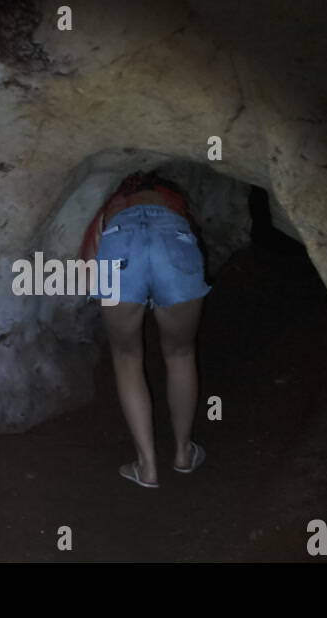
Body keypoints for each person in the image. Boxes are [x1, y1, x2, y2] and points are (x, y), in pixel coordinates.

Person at [79, 170, 210, 488]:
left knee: (126, 358)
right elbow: (199, 250)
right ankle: (183, 452)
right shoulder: (176, 204)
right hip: (173, 237)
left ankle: (147, 466)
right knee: (180, 353)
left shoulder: (111, 207)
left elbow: (86, 262)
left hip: (118, 241)